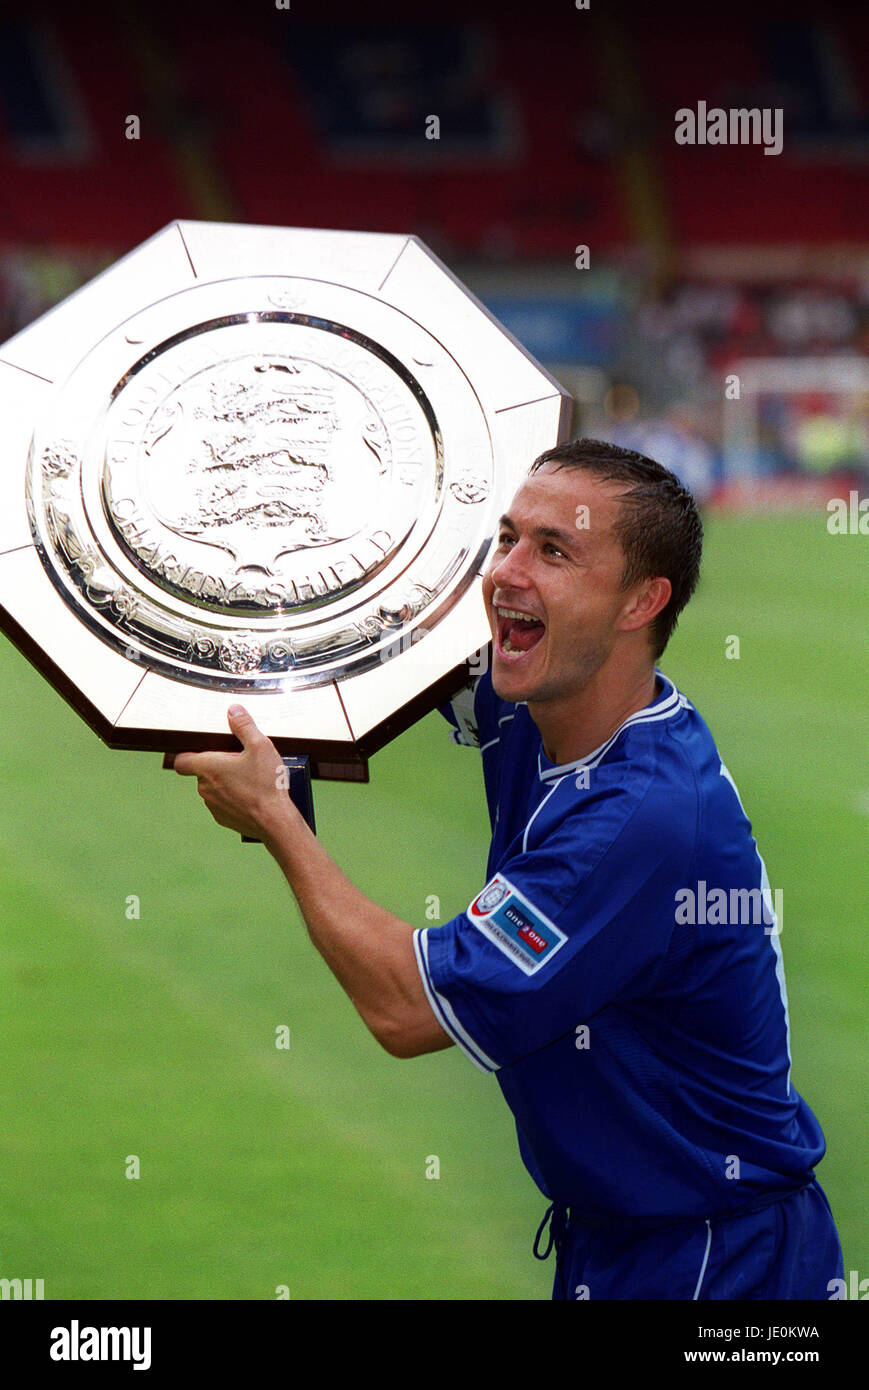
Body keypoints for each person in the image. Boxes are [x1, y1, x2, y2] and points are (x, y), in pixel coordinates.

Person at [174, 437, 843, 1301]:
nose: (504, 572)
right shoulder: (545, 693)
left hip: (718, 1266)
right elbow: (356, 658)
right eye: (507, 537)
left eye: (553, 550)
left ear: (643, 600)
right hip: (628, 1238)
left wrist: (275, 816)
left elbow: (405, 1009)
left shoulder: (635, 821)